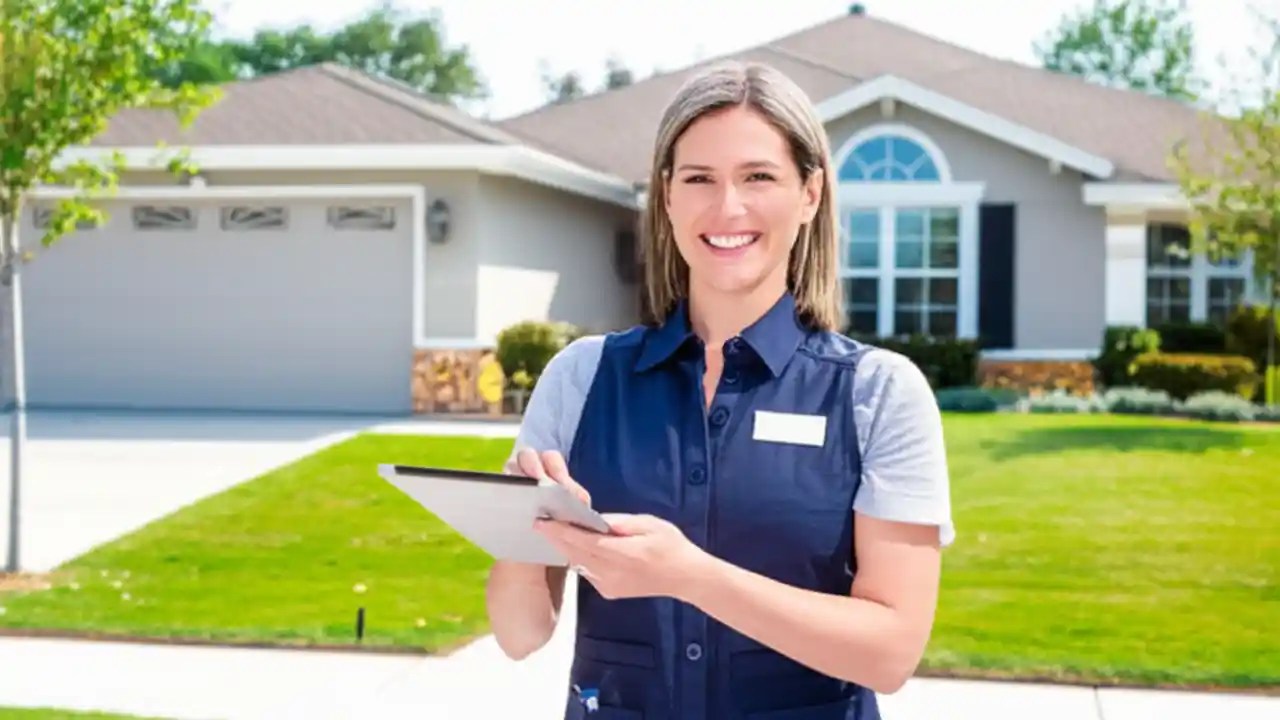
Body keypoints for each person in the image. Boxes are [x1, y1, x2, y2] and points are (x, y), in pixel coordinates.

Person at [484, 60, 954, 720]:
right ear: (668, 196)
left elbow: (890, 651)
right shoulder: (582, 378)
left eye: (758, 177)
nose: (727, 207)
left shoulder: (877, 394)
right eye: (699, 178)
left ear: (810, 195)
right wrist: (516, 526)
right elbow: (518, 634)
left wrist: (690, 576)